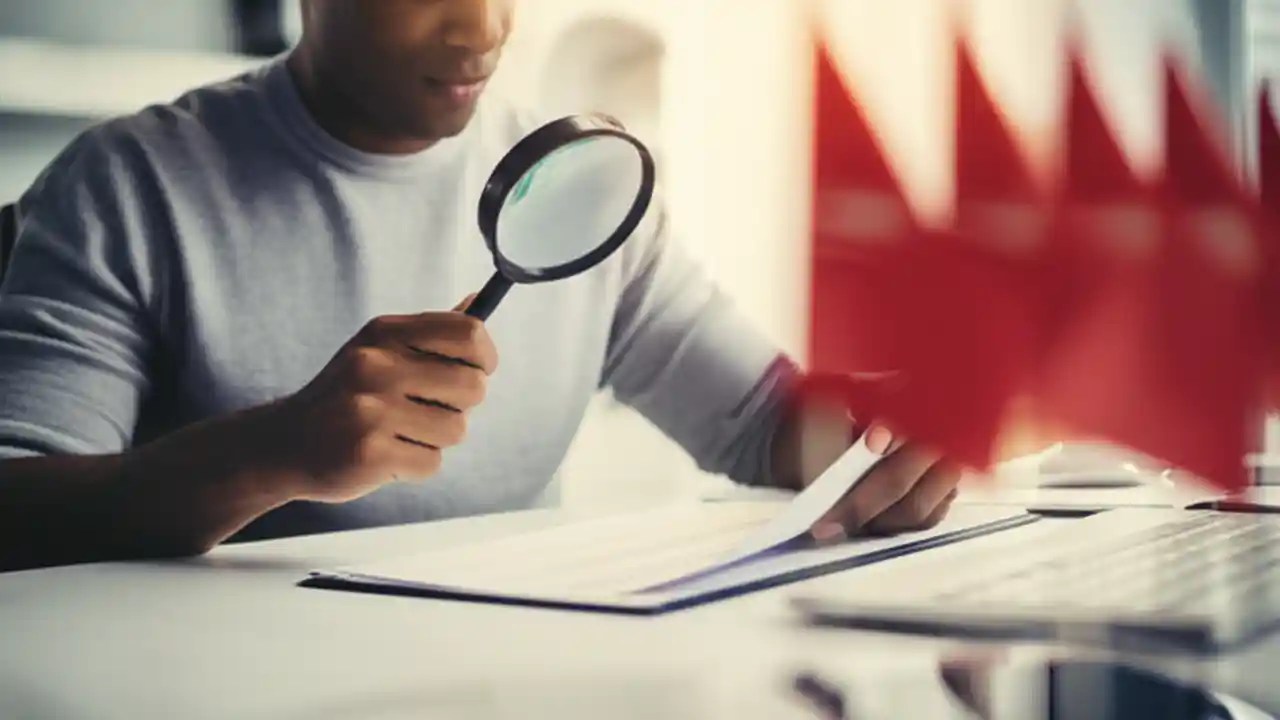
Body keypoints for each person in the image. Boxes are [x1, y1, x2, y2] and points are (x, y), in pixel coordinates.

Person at [0, 0, 960, 572]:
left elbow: (762, 423)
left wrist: (886, 434)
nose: (483, 28)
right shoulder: (123, 187)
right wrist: (272, 451)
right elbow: (15, 511)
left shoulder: (581, 181)